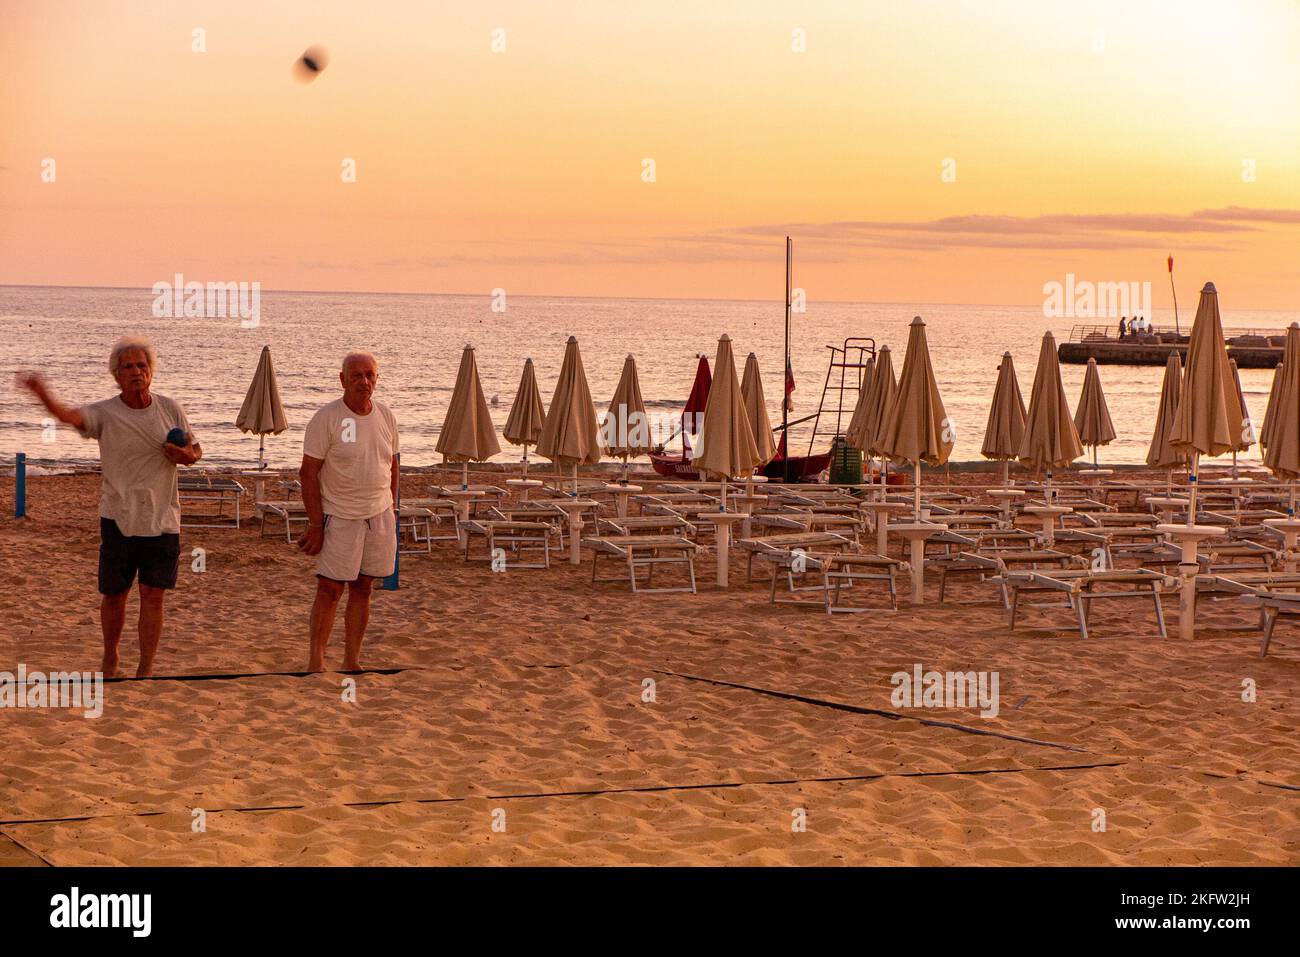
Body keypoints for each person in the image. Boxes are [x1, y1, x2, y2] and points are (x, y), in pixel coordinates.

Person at [15, 336, 202, 678]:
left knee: (153, 594)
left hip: (162, 518)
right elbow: (69, 417)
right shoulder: (106, 413)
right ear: (116, 375)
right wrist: (41, 393)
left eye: (142, 366)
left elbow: (195, 450)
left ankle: (145, 668)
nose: (136, 372)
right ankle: (111, 658)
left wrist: (185, 456)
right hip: (118, 516)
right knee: (115, 594)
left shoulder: (170, 408)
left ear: (151, 372)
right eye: (127, 367)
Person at [297, 351, 399, 672]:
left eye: (369, 375)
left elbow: (393, 465)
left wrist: (391, 509)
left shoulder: (386, 416)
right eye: (356, 375)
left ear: (377, 379)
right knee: (330, 589)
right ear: (342, 380)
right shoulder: (326, 419)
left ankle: (351, 660)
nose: (364, 381)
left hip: (379, 515)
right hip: (339, 516)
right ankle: (316, 661)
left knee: (364, 587)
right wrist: (316, 524)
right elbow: (308, 472)